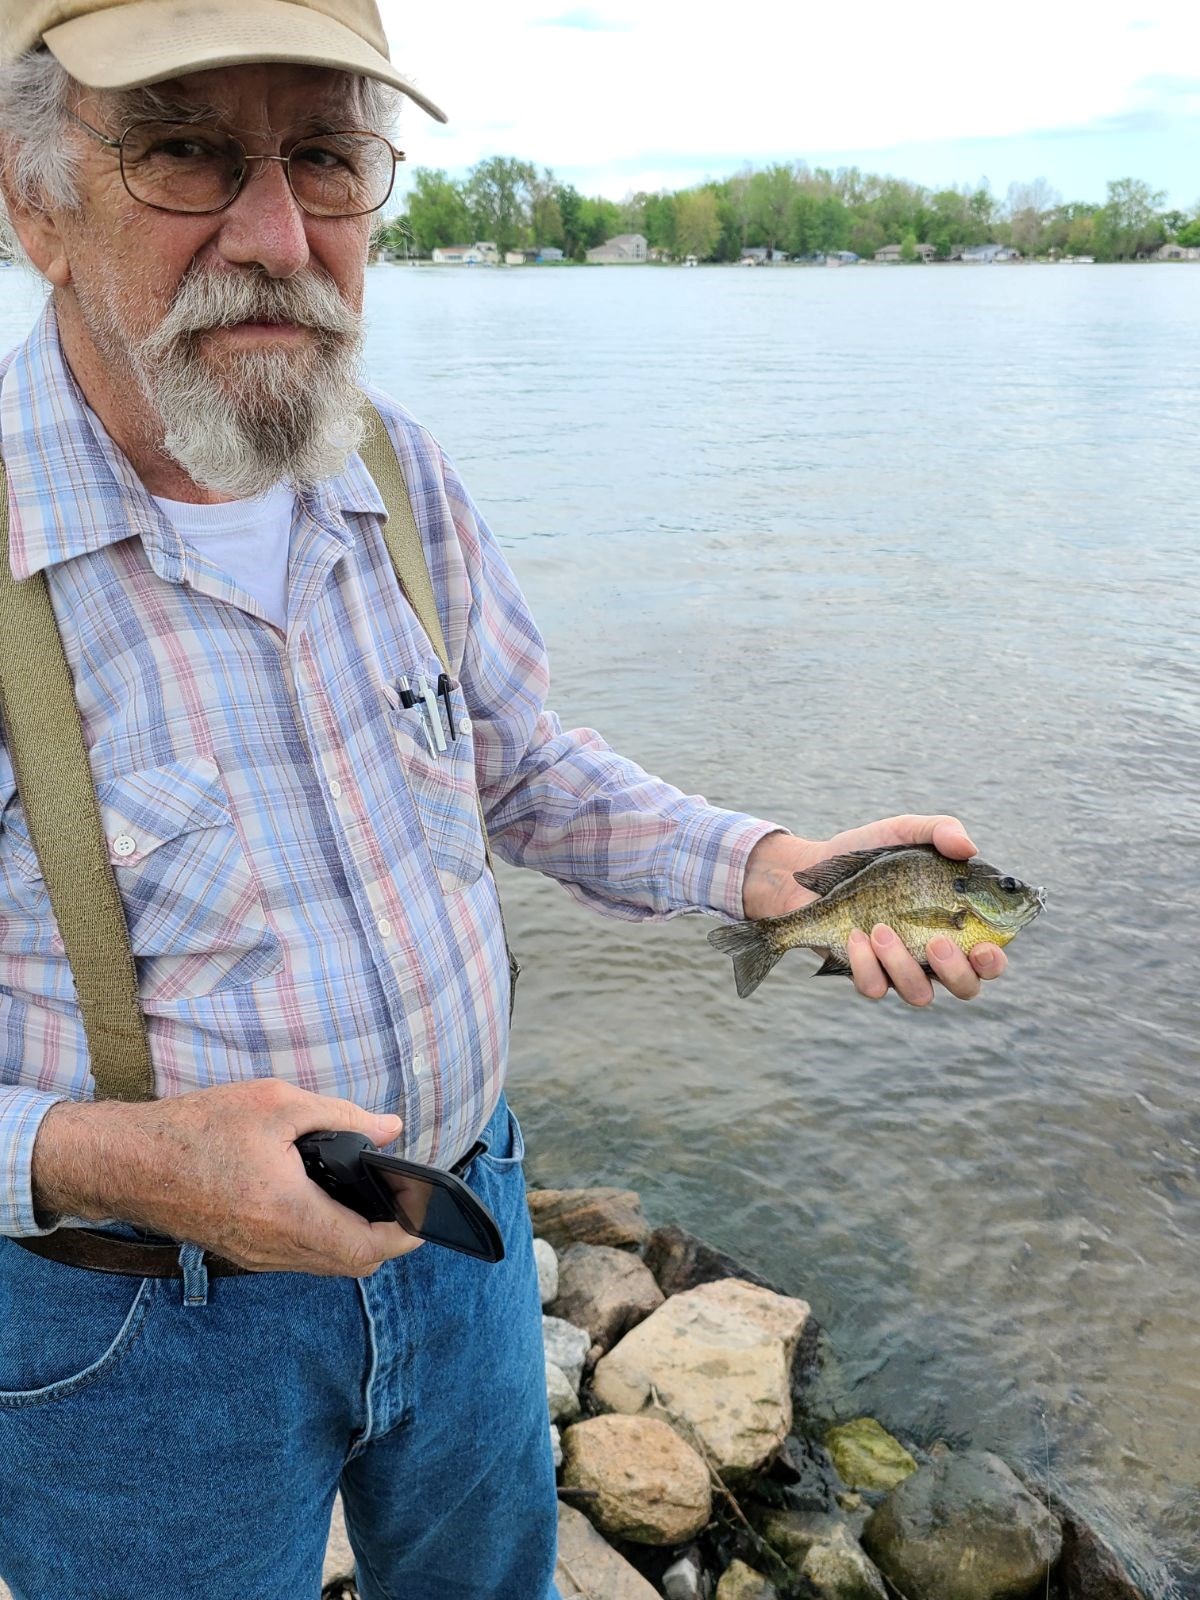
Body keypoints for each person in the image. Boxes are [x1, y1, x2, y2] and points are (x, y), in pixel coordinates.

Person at [0, 3, 1009, 1597]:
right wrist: (129, 1166)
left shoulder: (394, 472)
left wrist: (766, 866)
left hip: (469, 1232)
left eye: (326, 156)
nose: (278, 233)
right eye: (186, 148)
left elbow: (518, 765)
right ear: (36, 201)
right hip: (132, 1330)